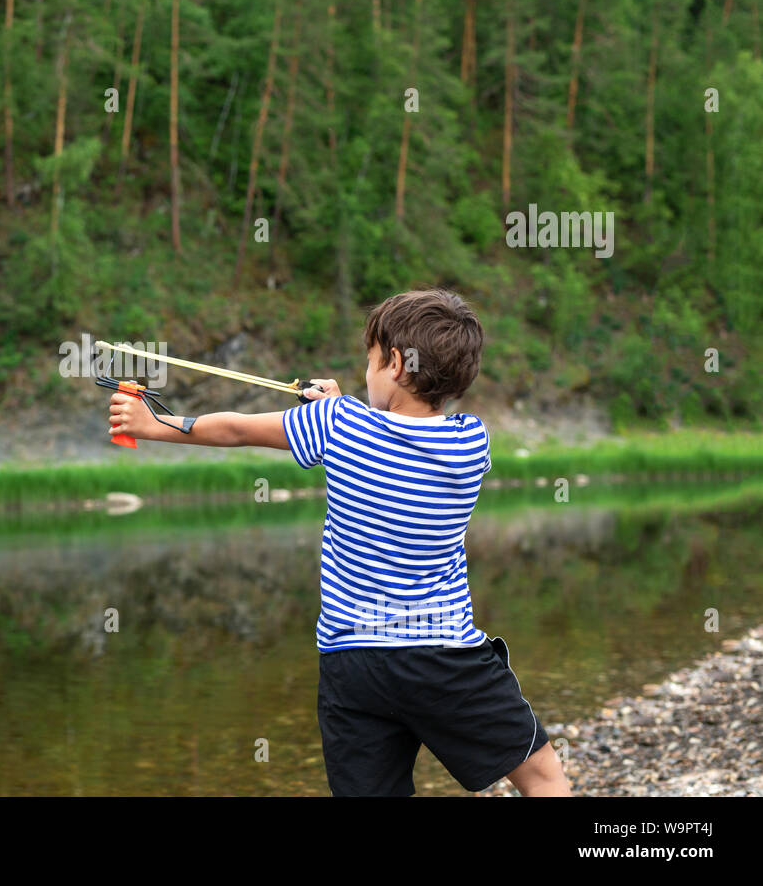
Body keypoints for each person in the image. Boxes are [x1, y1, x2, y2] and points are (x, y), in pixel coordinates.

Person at [106, 288, 571, 796]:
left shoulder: (338, 424)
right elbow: (390, 428)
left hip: (352, 665)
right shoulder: (469, 441)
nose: (367, 372)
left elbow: (238, 430)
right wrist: (341, 407)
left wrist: (155, 425)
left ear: (394, 362)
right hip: (441, 656)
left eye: (371, 360)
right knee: (541, 773)